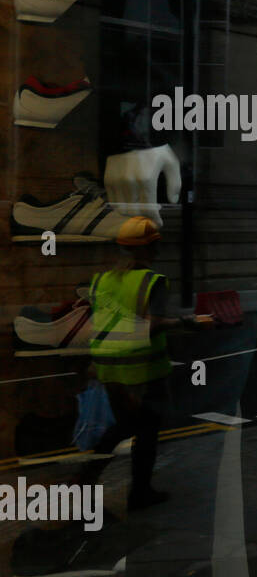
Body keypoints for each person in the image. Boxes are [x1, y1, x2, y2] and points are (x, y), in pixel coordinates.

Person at [83, 216, 180, 510]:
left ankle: (85, 478)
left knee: (124, 425)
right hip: (143, 370)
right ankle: (139, 492)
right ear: (149, 248)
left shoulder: (100, 281)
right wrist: (185, 322)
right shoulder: (152, 281)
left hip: (109, 368)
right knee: (146, 431)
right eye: (156, 245)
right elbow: (151, 326)